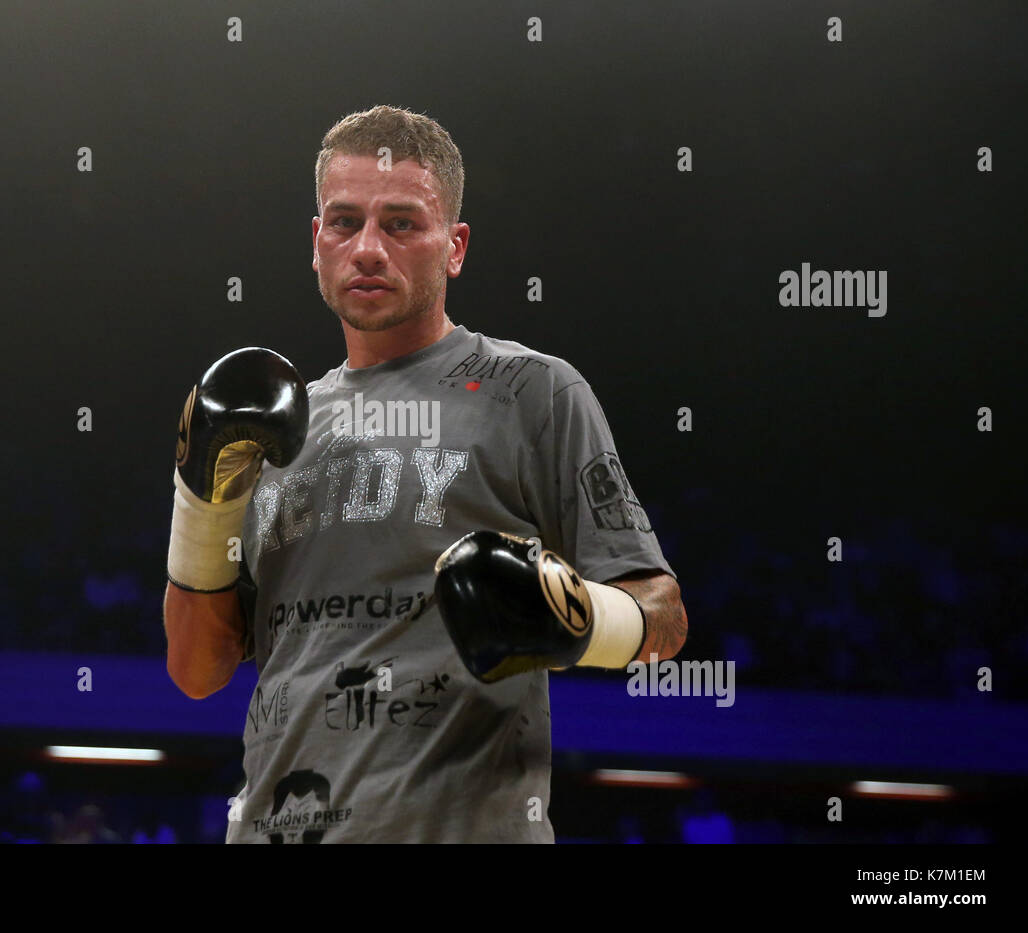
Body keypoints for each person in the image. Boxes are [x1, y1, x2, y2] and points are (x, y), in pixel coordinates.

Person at [163, 105, 687, 843]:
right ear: (316, 242)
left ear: (456, 247)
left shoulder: (531, 391)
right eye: (344, 222)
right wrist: (201, 505)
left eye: (402, 223)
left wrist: (577, 619)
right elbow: (196, 670)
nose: (368, 248)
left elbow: (664, 616)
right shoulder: (271, 429)